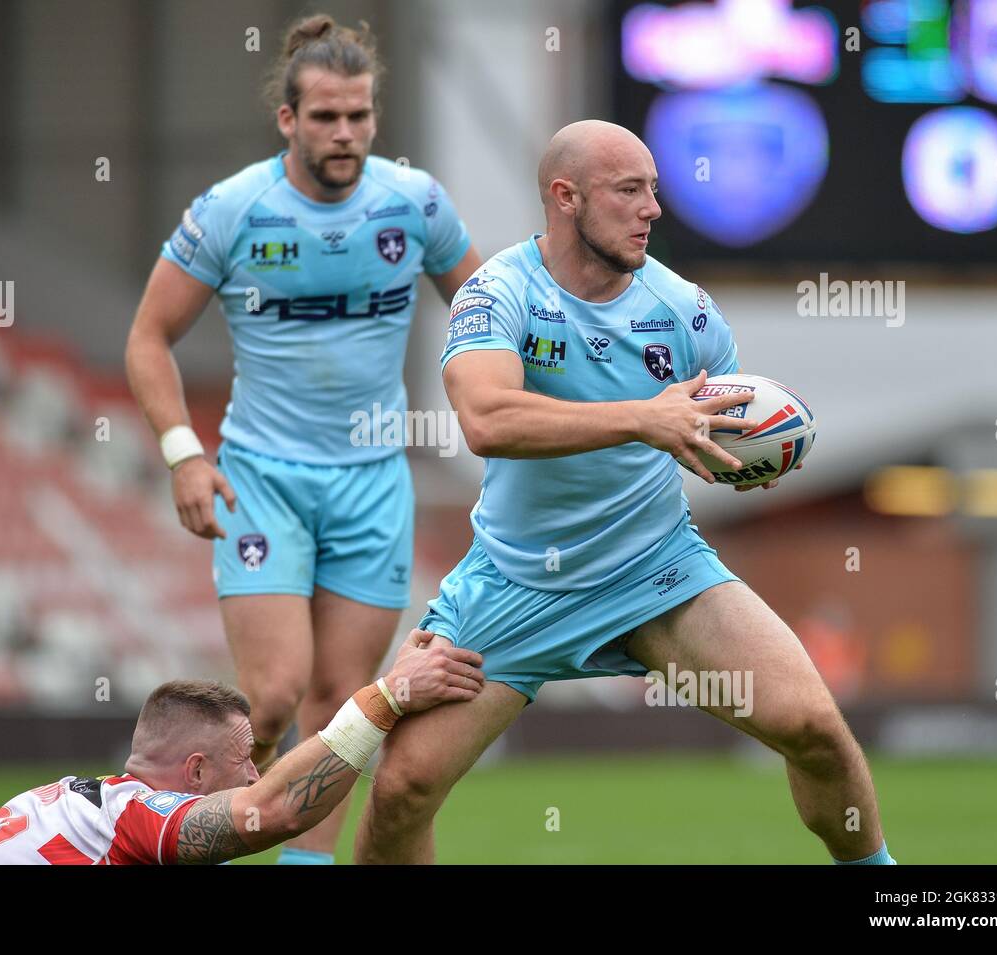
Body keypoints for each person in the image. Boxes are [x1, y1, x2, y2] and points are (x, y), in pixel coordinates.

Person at [353, 121, 895, 866]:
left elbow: (719, 429)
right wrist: (646, 417)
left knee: (816, 729)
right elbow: (485, 419)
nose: (654, 209)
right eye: (629, 190)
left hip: (657, 572)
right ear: (565, 198)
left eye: (655, 189)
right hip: (516, 583)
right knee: (402, 788)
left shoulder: (687, 312)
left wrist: (756, 455)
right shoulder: (497, 292)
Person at [124, 13, 481, 866]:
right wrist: (183, 453)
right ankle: (137, 837)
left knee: (340, 704)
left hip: (372, 482)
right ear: (288, 119)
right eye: (326, 116)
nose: (346, 133)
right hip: (263, 480)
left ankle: (308, 865)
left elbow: (484, 311)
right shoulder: (234, 209)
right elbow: (147, 338)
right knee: (273, 695)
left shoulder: (415, 203)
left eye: (359, 115)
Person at [0, 636, 483, 864]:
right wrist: (387, 696)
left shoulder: (81, 805)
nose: (255, 772)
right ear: (195, 770)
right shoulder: (132, 817)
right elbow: (278, 809)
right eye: (244, 759)